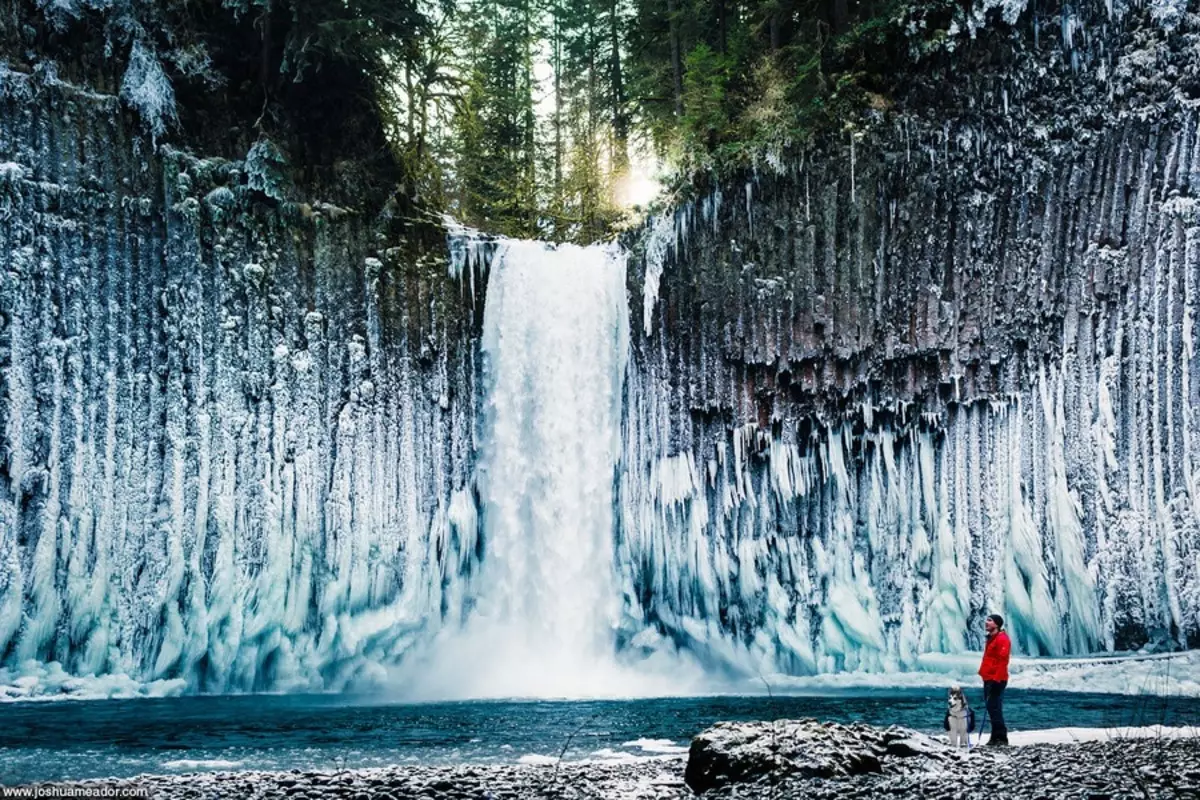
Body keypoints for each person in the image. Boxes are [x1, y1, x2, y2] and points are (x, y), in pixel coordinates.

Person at [978, 613, 1011, 746]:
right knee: (992, 708)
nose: (986, 622)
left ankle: (1001, 738)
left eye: (990, 620)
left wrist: (997, 680)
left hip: (996, 679)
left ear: (996, 624)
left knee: (995, 708)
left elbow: (1003, 661)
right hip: (989, 678)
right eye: (987, 620)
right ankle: (995, 737)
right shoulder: (991, 638)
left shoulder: (1002, 639)